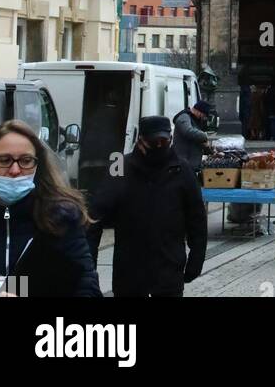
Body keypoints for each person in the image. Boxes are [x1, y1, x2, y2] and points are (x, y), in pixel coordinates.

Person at [88, 116, 207, 298]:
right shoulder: (119, 165)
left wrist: (195, 261)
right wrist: (89, 266)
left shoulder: (182, 169)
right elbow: (95, 216)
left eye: (164, 141)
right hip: (129, 272)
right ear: (141, 140)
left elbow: (197, 219)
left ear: (171, 138)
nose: (159, 146)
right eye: (154, 142)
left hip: (168, 270)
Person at [0, 120, 100, 297]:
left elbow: (87, 290)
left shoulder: (60, 219)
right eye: (4, 160)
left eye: (26, 161)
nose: (15, 169)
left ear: (37, 165)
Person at [172, 100, 213, 175]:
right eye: (203, 115)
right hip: (183, 164)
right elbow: (188, 131)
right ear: (198, 111)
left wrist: (210, 150)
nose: (204, 118)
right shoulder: (184, 117)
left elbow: (198, 140)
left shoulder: (195, 120)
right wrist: (204, 136)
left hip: (191, 165)